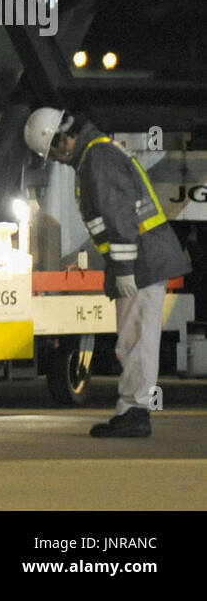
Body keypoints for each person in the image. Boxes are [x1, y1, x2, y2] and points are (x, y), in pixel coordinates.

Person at [24, 107, 191, 438]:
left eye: (53, 153)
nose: (56, 160)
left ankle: (136, 413)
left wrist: (125, 270)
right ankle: (129, 409)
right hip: (141, 260)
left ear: (63, 140)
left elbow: (120, 221)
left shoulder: (97, 159)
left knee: (138, 341)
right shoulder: (97, 155)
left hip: (141, 262)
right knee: (133, 340)